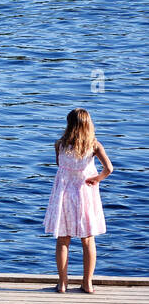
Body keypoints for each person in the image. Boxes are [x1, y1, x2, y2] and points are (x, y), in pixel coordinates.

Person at [43, 108, 112, 294]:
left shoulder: (60, 145)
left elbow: (61, 166)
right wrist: (96, 179)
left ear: (69, 125)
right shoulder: (94, 146)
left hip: (64, 196)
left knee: (63, 240)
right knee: (88, 240)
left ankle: (62, 283)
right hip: (85, 195)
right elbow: (109, 169)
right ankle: (87, 284)